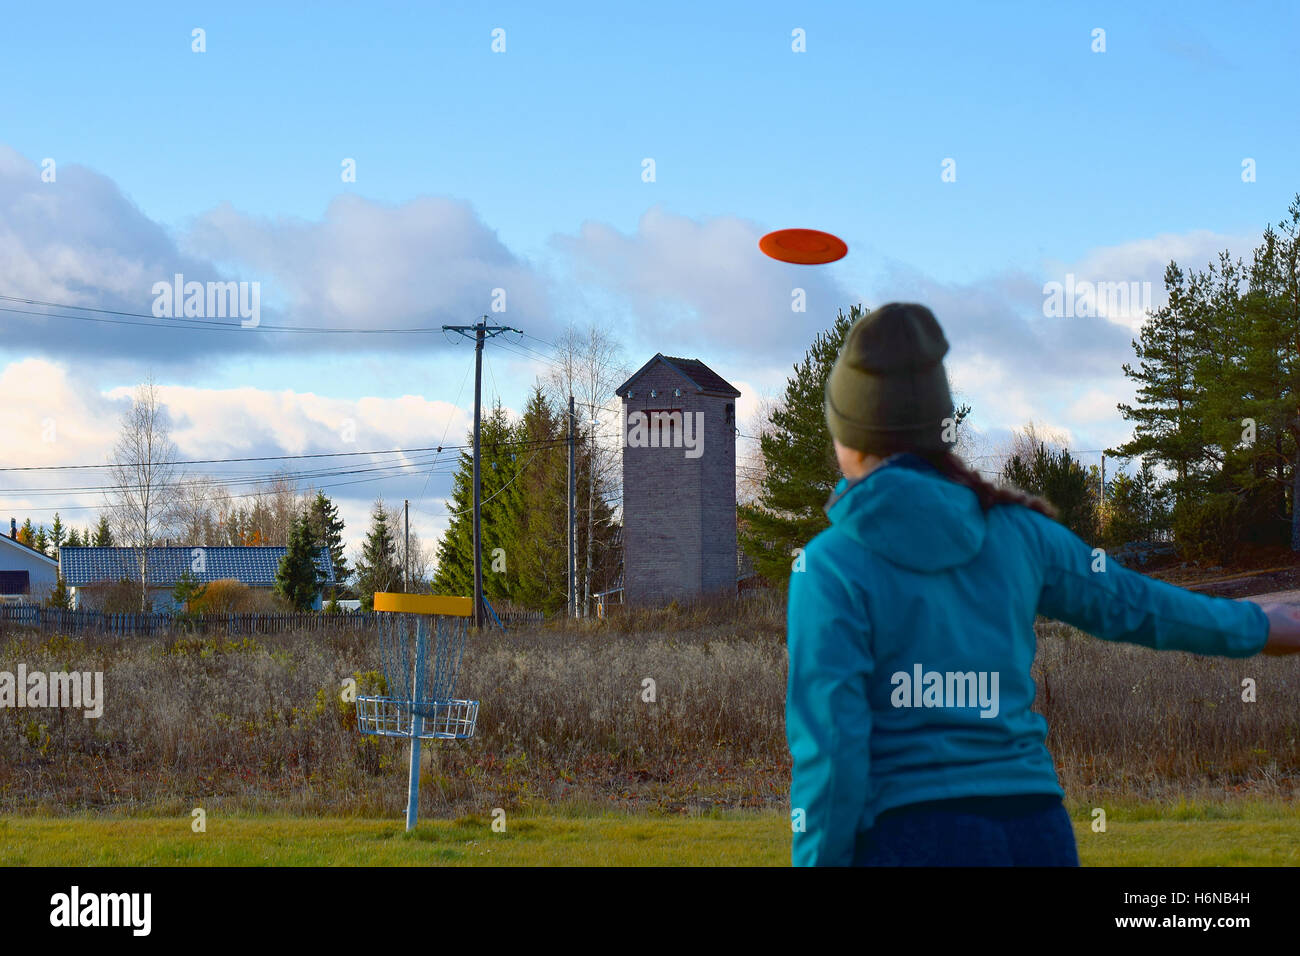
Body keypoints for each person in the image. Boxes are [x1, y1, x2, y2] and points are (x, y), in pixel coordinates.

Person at [786, 302, 1300, 867]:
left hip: (910, 834)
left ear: (848, 436)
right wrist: (1261, 625)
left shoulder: (829, 565)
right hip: (1035, 829)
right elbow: (1138, 605)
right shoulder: (1017, 532)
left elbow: (832, 753)